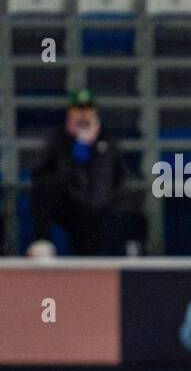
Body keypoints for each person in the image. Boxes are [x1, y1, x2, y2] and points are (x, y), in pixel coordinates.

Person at [30, 90, 141, 255]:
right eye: (78, 109)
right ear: (70, 112)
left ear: (94, 112)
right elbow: (41, 176)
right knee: (43, 189)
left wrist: (91, 147)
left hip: (96, 210)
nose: (82, 115)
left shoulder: (107, 141)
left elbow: (115, 178)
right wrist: (76, 149)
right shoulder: (59, 139)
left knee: (100, 222)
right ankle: (43, 243)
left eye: (87, 109)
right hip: (67, 204)